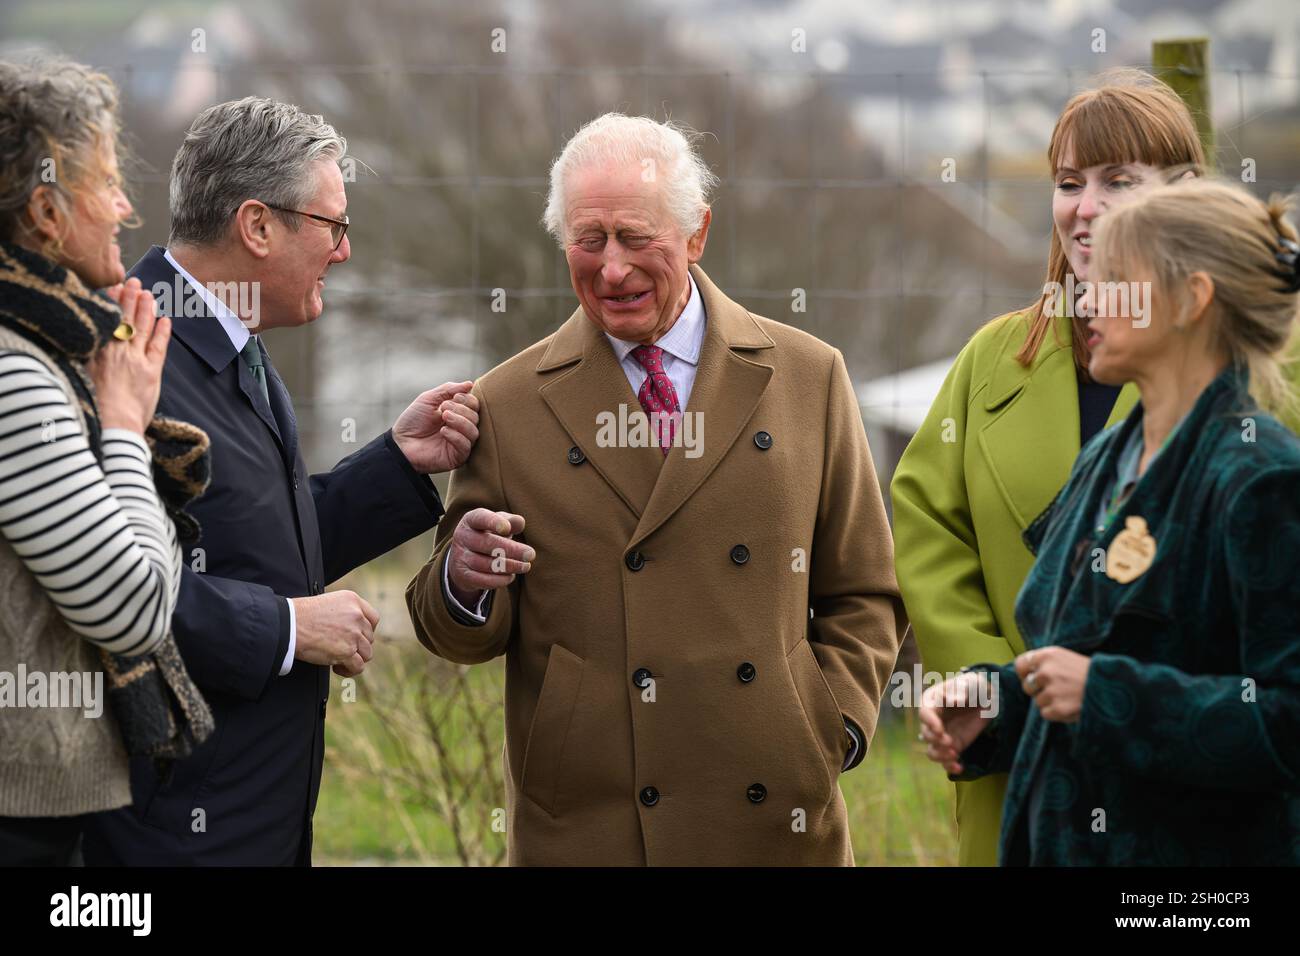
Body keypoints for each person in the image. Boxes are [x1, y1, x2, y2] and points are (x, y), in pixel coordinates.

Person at [405, 112, 906, 866]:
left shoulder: (809, 376)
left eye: (636, 239)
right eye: (588, 239)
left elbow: (864, 592)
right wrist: (462, 579)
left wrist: (826, 729)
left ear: (697, 234)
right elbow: (455, 630)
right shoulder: (507, 402)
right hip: (588, 826)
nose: (611, 269)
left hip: (772, 817)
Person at [83, 97, 481, 866]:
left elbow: (247, 545)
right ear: (258, 226)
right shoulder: (121, 356)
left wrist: (394, 466)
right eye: (334, 226)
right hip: (159, 839)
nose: (345, 252)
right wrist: (293, 631)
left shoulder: (230, 340)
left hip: (247, 823)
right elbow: (104, 590)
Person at [920, 177, 1300, 865]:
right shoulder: (1108, 458)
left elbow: (1287, 720)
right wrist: (997, 706)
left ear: (1192, 300)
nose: (1086, 298)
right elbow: (1073, 660)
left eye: (1117, 280)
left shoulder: (1262, 479)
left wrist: (1109, 696)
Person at [889, 70, 1206, 865]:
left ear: (1187, 194)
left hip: (1187, 786)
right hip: (1017, 782)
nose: (1085, 206)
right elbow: (930, 531)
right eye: (1069, 183)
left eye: (1119, 182)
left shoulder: (1267, 367)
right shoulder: (993, 358)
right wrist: (992, 693)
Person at [0, 56, 210, 864]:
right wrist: (124, 425)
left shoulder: (42, 346)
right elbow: (132, 607)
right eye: (110, 184)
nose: (128, 208)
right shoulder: (17, 371)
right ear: (47, 211)